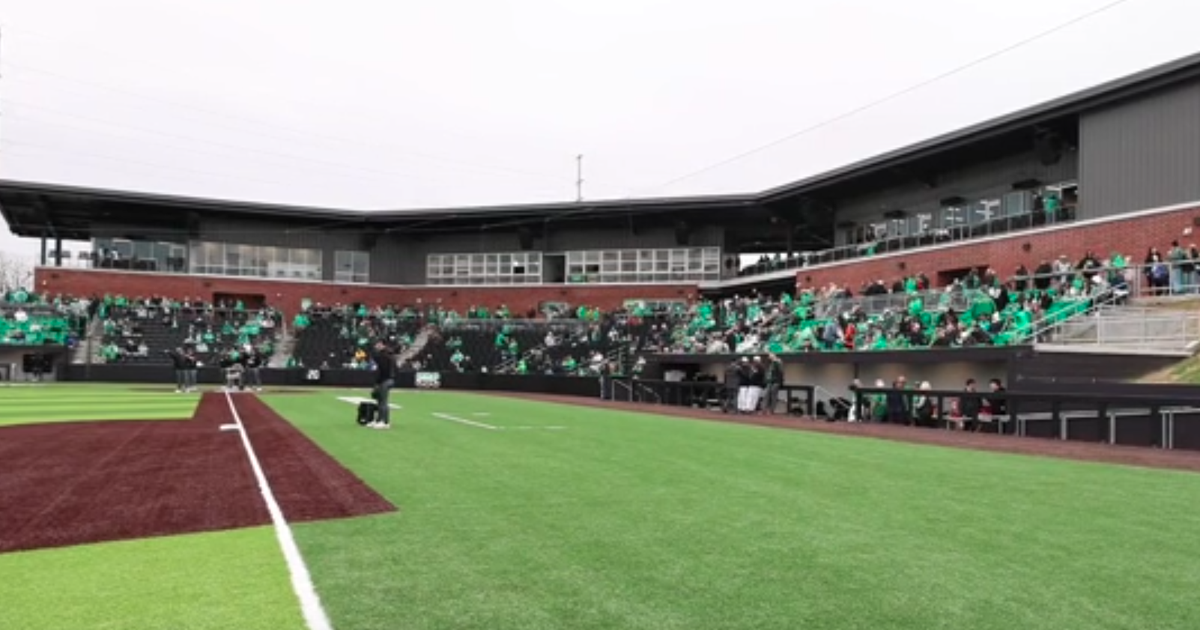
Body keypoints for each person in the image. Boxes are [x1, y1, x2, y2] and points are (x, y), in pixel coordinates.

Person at [369, 341, 395, 429]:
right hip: (387, 379)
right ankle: (380, 420)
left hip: (385, 380)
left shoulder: (384, 356)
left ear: (383, 345)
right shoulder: (386, 354)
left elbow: (382, 371)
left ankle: (384, 421)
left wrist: (377, 383)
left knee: (383, 401)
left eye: (378, 344)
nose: (376, 346)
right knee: (380, 400)